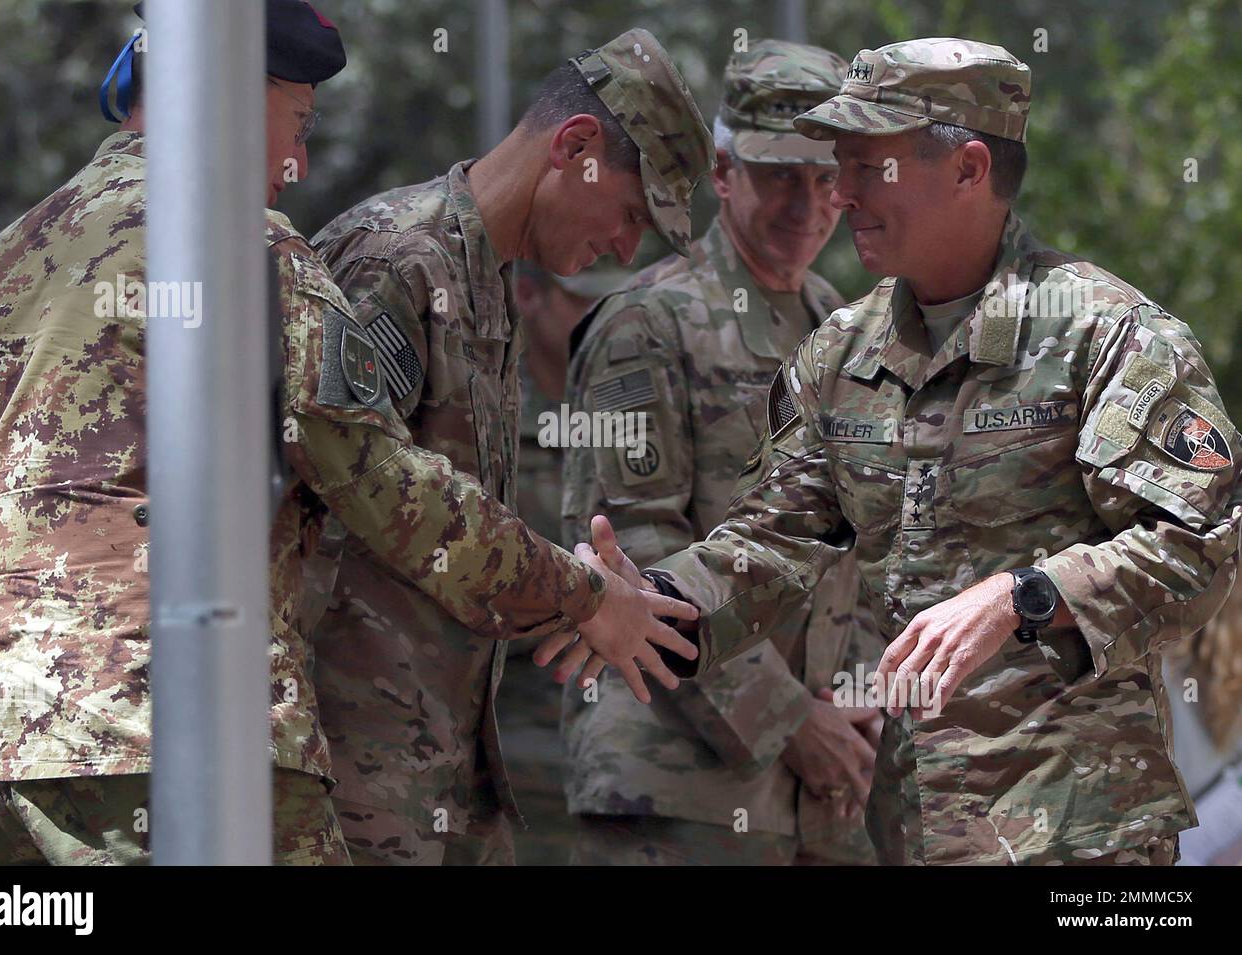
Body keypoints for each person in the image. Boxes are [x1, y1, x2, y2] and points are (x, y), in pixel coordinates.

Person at [0, 2, 697, 866]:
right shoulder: (246, 247)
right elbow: (386, 488)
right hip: (177, 733)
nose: (298, 162)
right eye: (297, 122)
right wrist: (585, 595)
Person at [575, 37, 1242, 866]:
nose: (840, 195)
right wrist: (653, 597)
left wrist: (1026, 594)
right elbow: (773, 541)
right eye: (835, 165)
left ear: (967, 169)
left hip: (1075, 833)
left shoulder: (1108, 336)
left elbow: (1198, 546)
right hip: (903, 828)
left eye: (865, 167)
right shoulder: (841, 351)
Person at [308, 27, 715, 865]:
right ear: (575, 147)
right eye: (633, 212)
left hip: (443, 773)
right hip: (349, 777)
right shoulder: (398, 262)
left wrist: (594, 590)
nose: (627, 248)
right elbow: (381, 499)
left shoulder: (483, 283)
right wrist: (584, 598)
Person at [560, 39, 882, 865]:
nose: (806, 205)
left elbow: (869, 543)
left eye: (824, 179)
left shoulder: (842, 328)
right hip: (679, 788)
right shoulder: (648, 324)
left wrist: (863, 701)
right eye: (779, 175)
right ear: (725, 172)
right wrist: (787, 720)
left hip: (826, 794)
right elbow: (629, 553)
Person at [498, 262, 627, 866]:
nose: (605, 323)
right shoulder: (484, 418)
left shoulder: (641, 416)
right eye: (584, 302)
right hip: (523, 730)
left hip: (637, 730)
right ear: (529, 295)